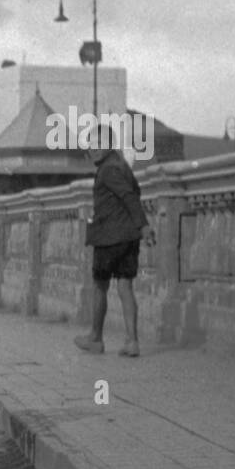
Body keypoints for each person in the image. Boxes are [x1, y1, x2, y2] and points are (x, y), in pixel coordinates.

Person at [75, 123, 155, 357]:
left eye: (99, 144)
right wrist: (140, 226)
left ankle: (95, 338)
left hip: (110, 237)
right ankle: (132, 342)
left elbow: (128, 196)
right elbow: (135, 192)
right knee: (125, 286)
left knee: (100, 285)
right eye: (92, 144)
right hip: (129, 237)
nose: (94, 149)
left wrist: (144, 225)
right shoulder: (123, 166)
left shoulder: (108, 170)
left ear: (109, 144)